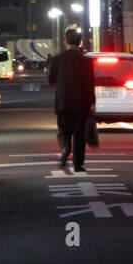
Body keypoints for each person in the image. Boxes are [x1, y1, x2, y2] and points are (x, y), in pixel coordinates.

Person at [47, 25, 95, 171]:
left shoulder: (56, 60)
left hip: (63, 102)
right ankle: (78, 164)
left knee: (64, 131)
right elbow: (90, 83)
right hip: (82, 102)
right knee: (79, 133)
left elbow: (51, 80)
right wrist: (92, 101)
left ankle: (65, 149)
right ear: (80, 42)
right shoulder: (86, 61)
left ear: (65, 41)